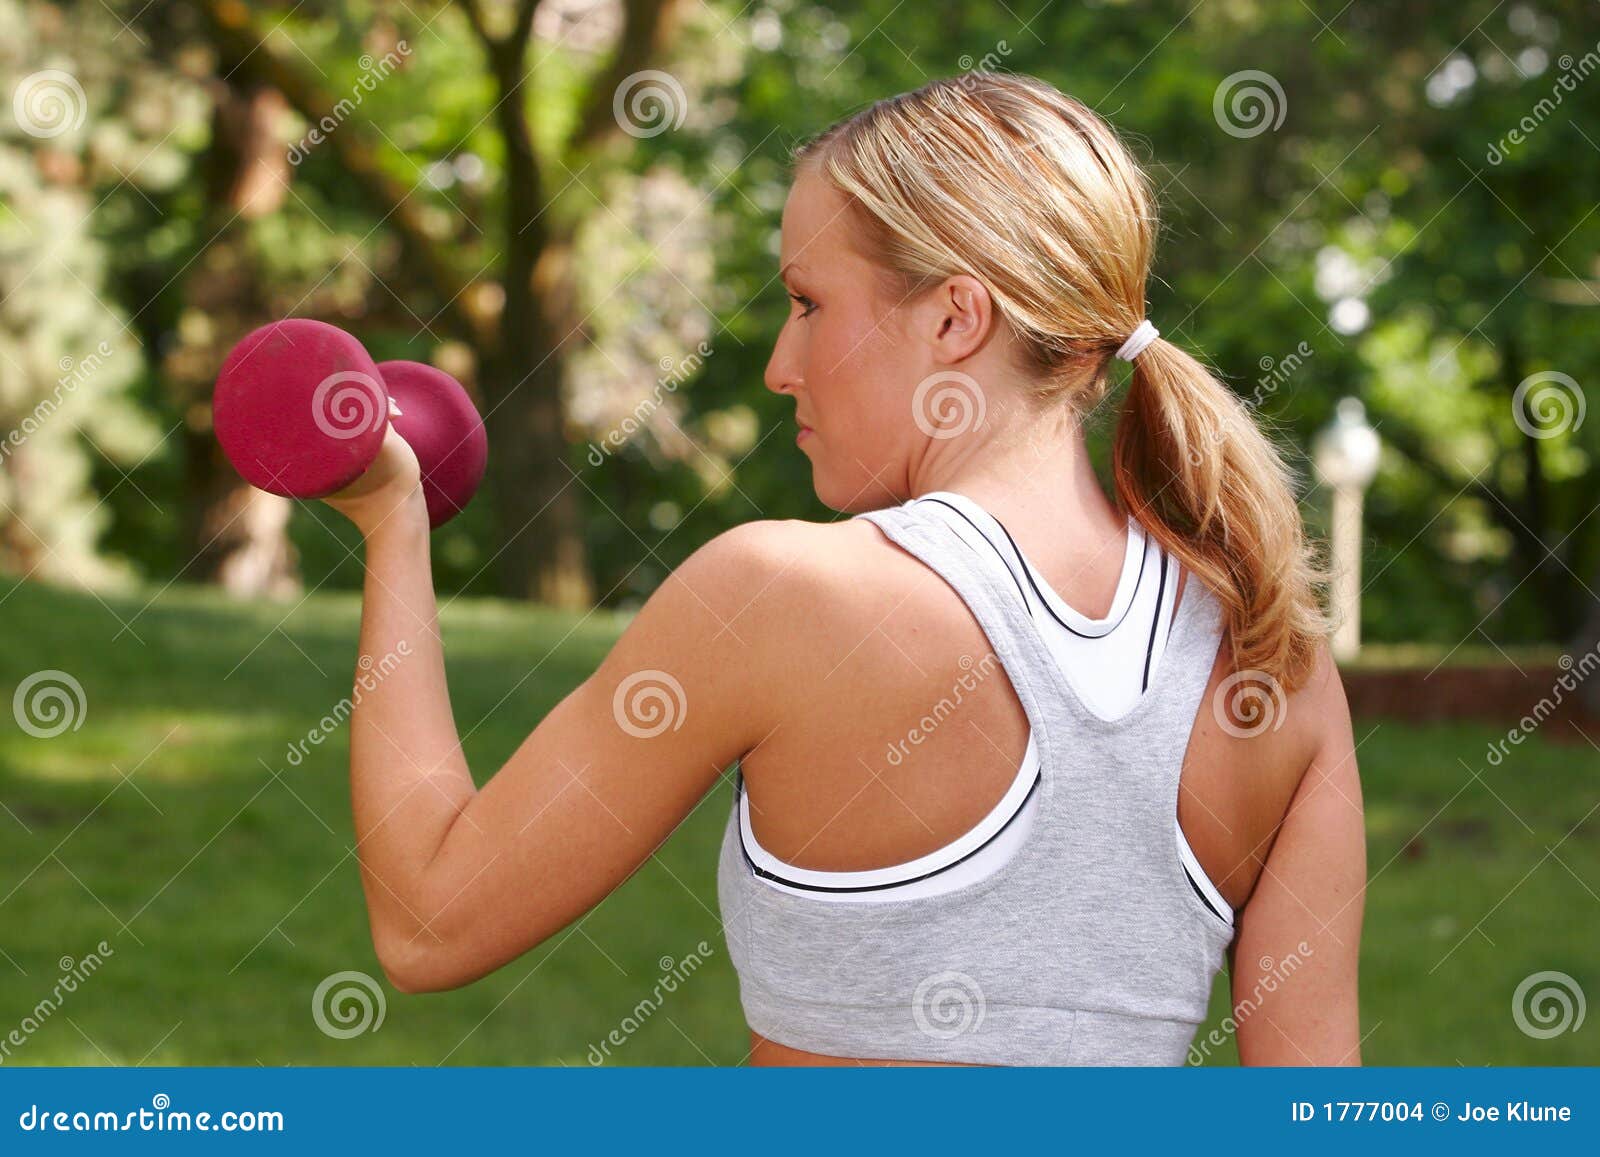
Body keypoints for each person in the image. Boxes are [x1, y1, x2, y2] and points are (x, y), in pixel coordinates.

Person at [322, 71, 1365, 1067]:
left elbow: (429, 921)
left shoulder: (783, 596)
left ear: (956, 317)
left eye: (808, 301)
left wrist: (392, 520)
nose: (781, 363)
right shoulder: (1274, 654)